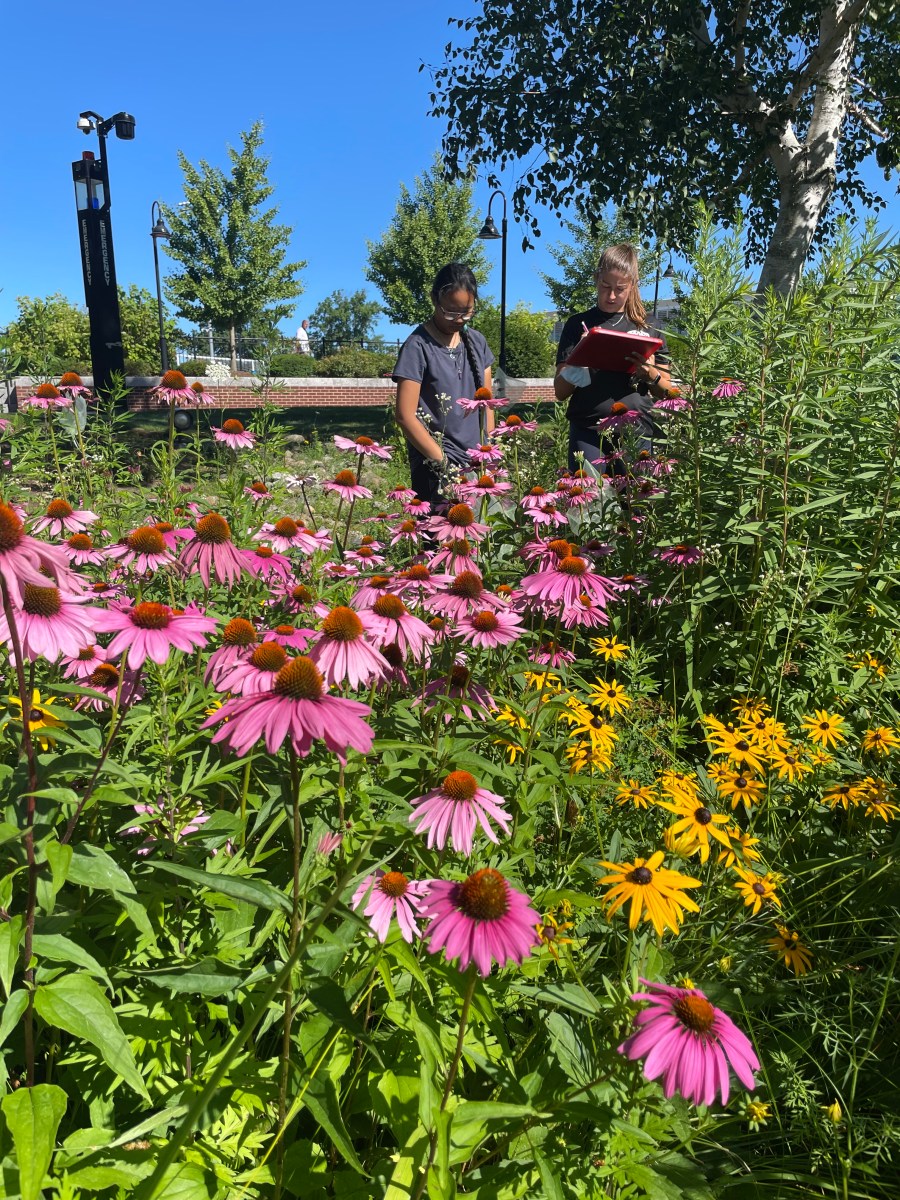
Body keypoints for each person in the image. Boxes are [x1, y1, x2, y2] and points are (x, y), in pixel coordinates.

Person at [554, 243, 672, 473]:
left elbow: (668, 392)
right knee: (588, 505)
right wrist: (581, 355)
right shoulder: (577, 324)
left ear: (633, 285)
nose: (611, 295)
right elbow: (560, 392)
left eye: (620, 288)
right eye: (605, 285)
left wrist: (651, 375)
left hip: (636, 430)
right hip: (588, 429)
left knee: (636, 505)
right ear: (596, 278)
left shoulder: (650, 327)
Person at [393, 263, 495, 504]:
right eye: (450, 312)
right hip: (436, 467)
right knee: (440, 540)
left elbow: (487, 405)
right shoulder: (417, 347)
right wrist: (446, 467)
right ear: (434, 300)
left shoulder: (477, 342)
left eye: (467, 312)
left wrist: (490, 456)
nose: (458, 320)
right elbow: (404, 416)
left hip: (477, 464)